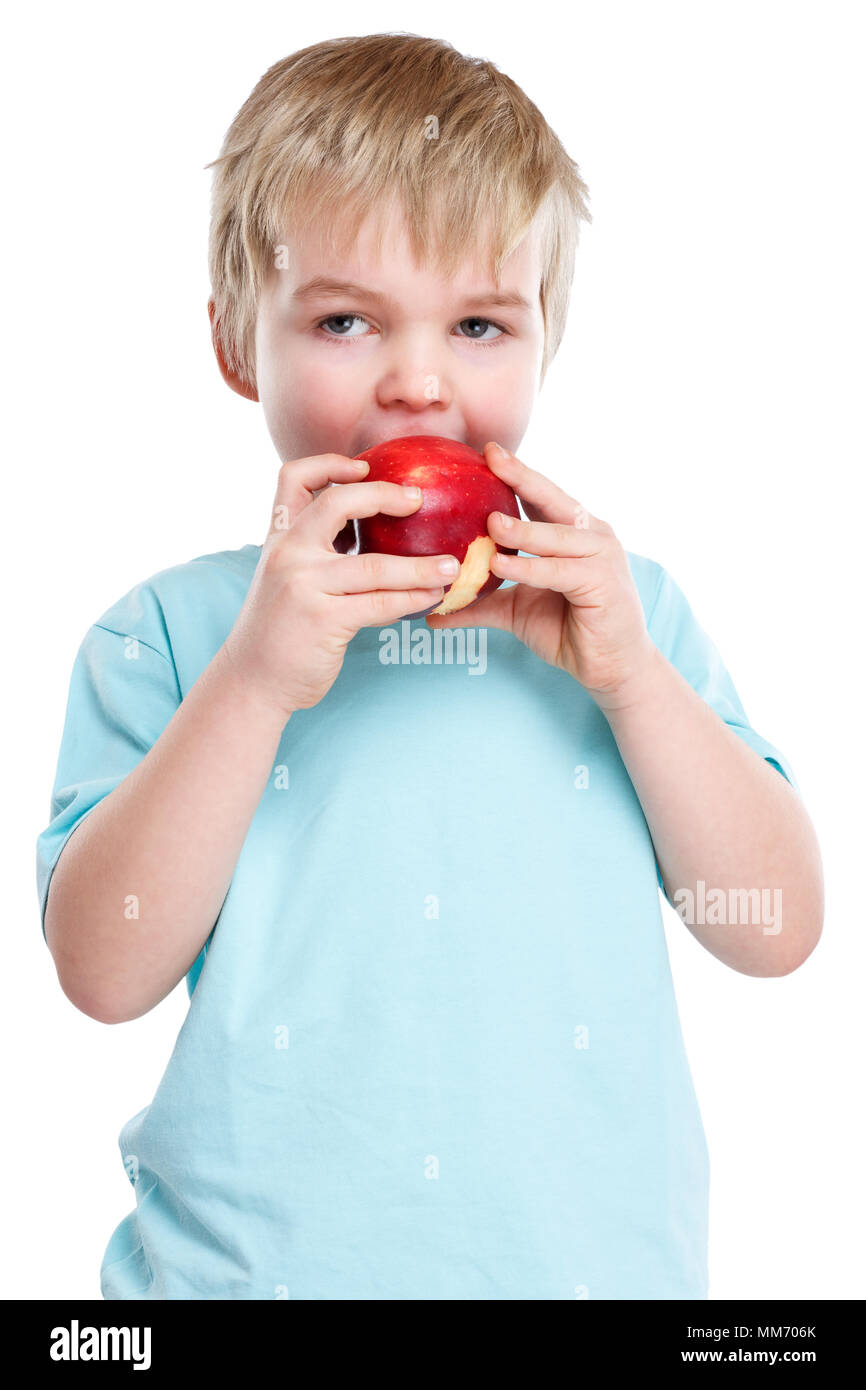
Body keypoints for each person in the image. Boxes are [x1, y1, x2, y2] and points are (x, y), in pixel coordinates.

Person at [35, 33, 823, 1300]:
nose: (417, 381)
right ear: (239, 348)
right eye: (342, 319)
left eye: (477, 324)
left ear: (542, 344)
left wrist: (628, 682)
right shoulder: (172, 635)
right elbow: (103, 973)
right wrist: (252, 683)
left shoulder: (624, 618)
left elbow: (776, 930)